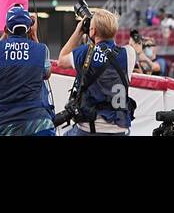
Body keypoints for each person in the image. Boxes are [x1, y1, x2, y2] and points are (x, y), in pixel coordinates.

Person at [55, 7, 137, 136]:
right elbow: (110, 47)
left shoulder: (84, 52)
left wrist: (78, 31)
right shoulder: (129, 53)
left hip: (90, 128)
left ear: (92, 31)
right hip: (120, 129)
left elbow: (61, 60)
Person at [0, 5, 55, 136]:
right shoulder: (41, 49)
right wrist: (34, 36)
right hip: (37, 123)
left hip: (2, 124)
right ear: (28, 29)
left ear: (6, 29)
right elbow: (47, 73)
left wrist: (6, 34)